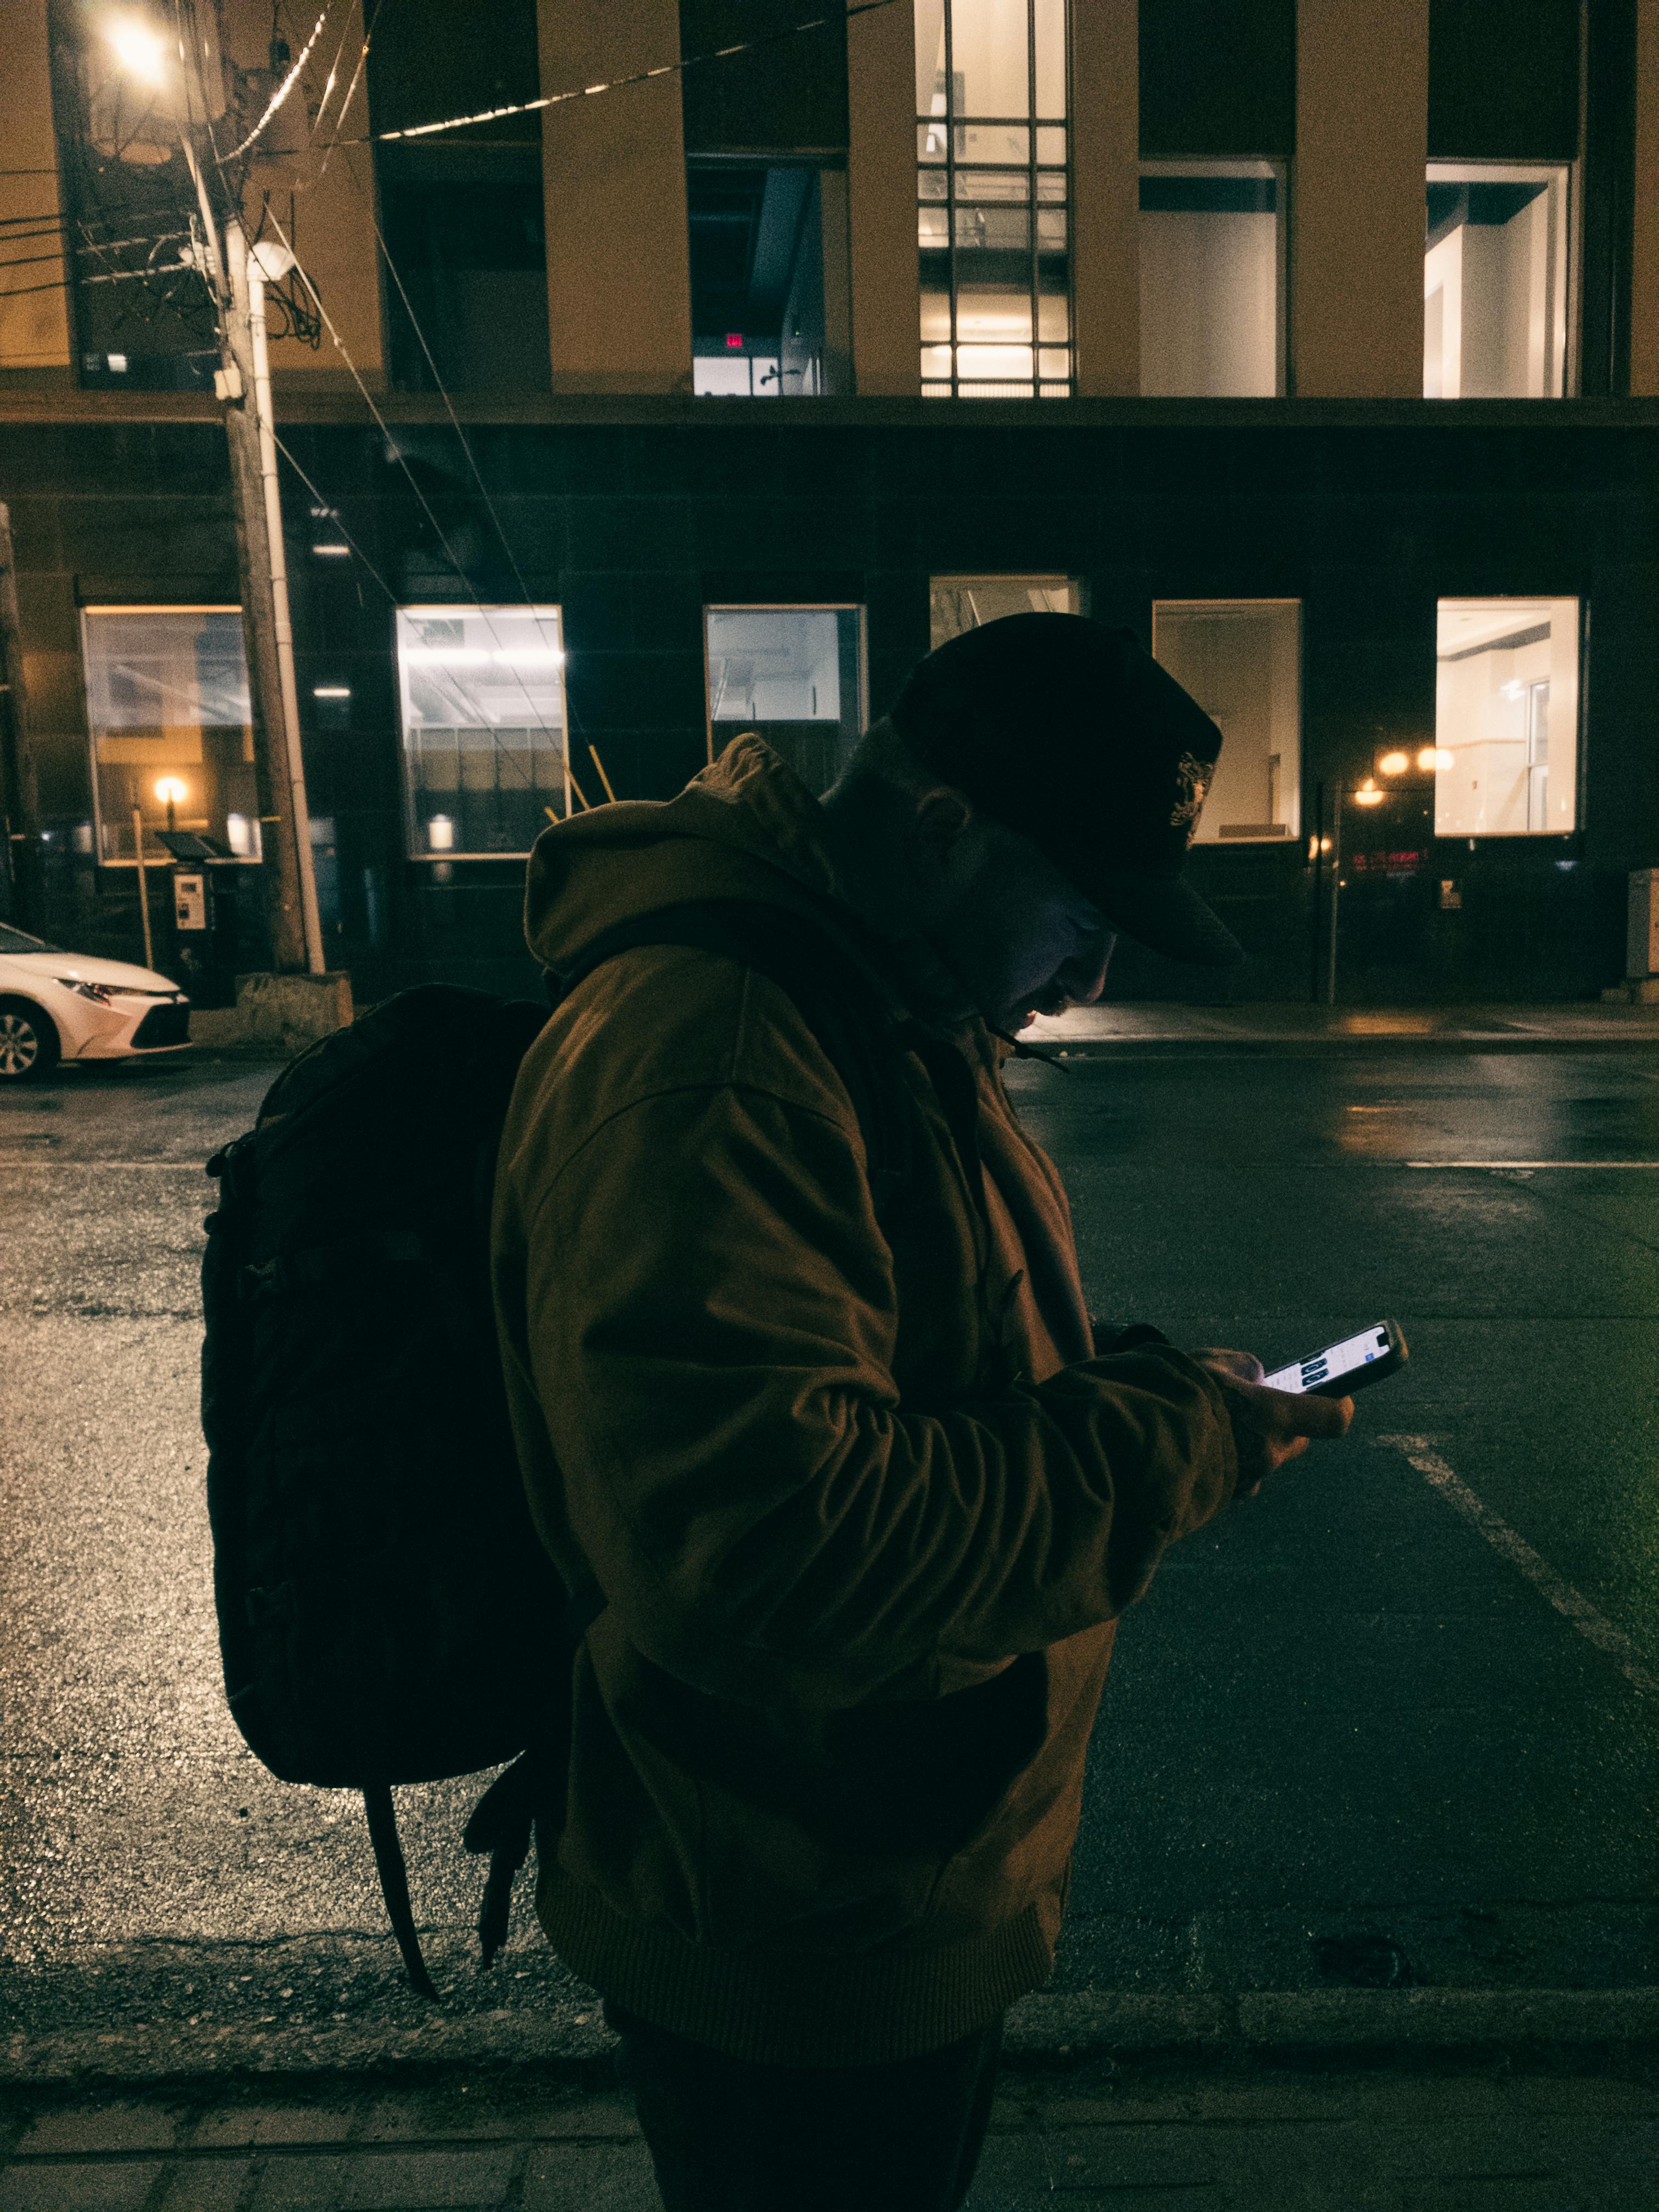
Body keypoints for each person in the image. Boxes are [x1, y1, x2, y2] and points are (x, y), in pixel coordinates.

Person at [492, 613, 1351, 2211]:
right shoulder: (729, 1054)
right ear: (942, 827)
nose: (1092, 977)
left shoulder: (883, 998)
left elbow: (923, 1368)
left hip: (876, 1882)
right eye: (1079, 915)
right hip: (794, 1927)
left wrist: (1137, 1385)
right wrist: (1177, 1442)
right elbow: (777, 1552)